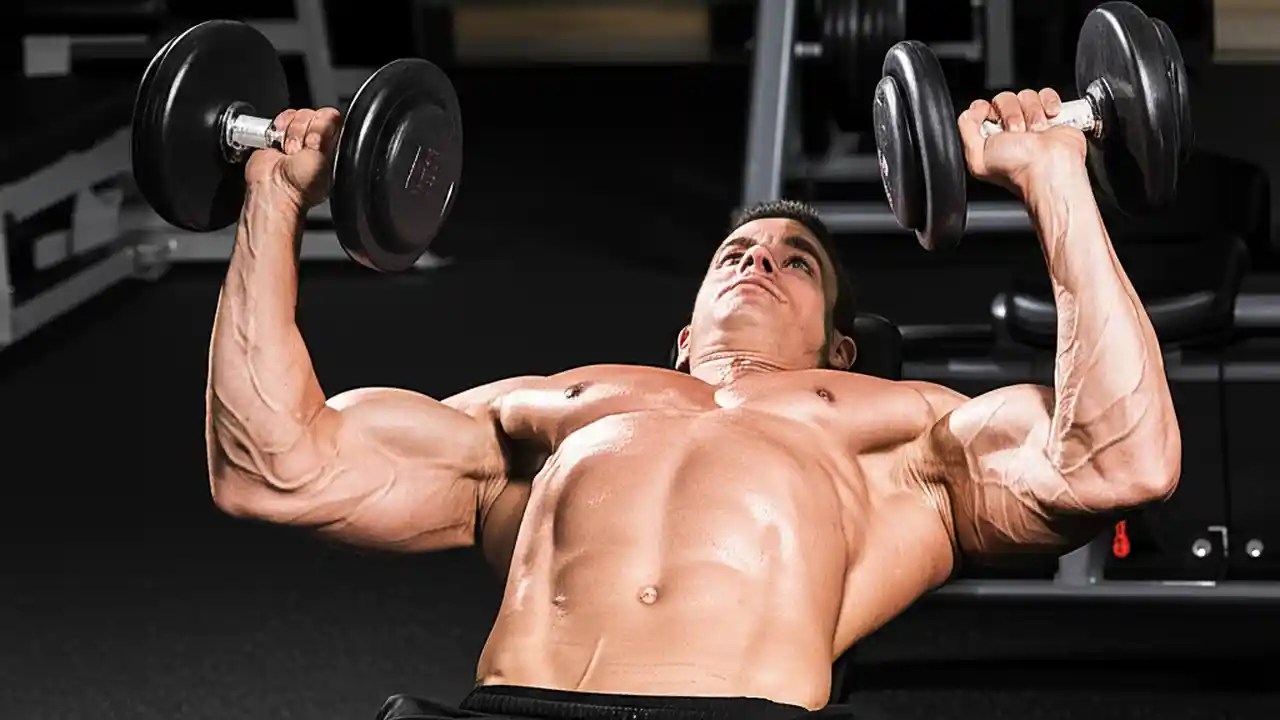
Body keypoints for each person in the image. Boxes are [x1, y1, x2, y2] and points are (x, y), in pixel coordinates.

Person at [204, 87, 1181, 720]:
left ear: (837, 350)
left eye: (795, 263)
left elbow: (1119, 461)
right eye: (737, 254)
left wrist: (1053, 178)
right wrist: (275, 197)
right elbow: (273, 467)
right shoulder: (555, 410)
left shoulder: (903, 429)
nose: (760, 260)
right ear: (680, 334)